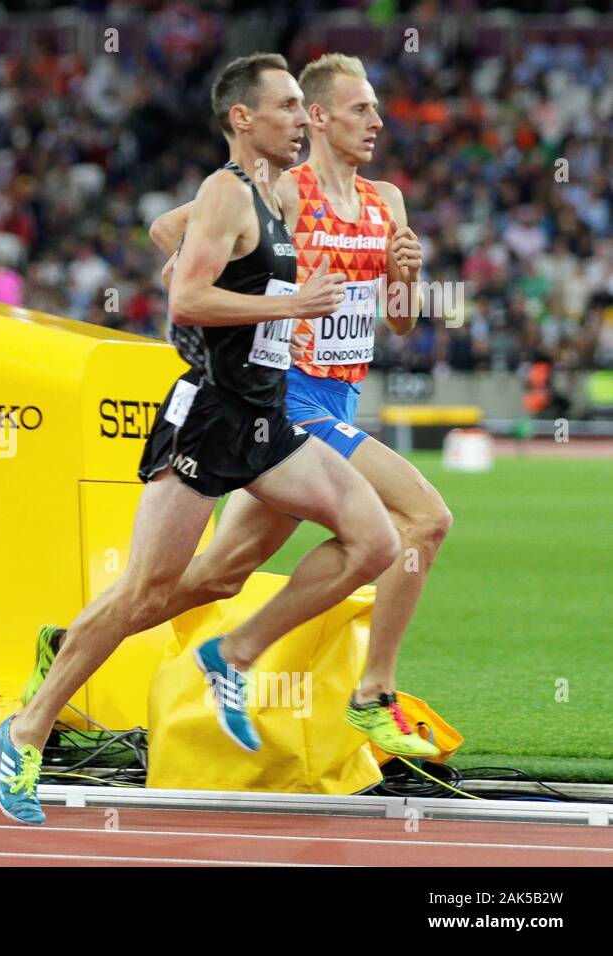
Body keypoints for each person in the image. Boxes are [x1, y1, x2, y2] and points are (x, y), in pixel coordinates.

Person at [0, 54, 400, 825]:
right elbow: (185, 299)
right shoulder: (225, 190)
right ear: (242, 118)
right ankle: (26, 729)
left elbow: (184, 254)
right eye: (286, 107)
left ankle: (230, 653)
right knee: (146, 591)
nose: (299, 120)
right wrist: (288, 306)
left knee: (373, 541)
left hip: (266, 417)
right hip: (208, 415)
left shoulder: (280, 194)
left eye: (302, 106)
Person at [134, 54, 444, 757]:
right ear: (319, 117)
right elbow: (165, 230)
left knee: (220, 574)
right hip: (289, 398)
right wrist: (243, 277)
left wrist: (408, 276)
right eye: (361, 109)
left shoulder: (387, 201)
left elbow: (399, 321)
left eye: (376, 108)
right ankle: (372, 695)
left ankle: (70, 641)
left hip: (340, 398)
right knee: (423, 520)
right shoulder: (283, 188)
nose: (377, 121)